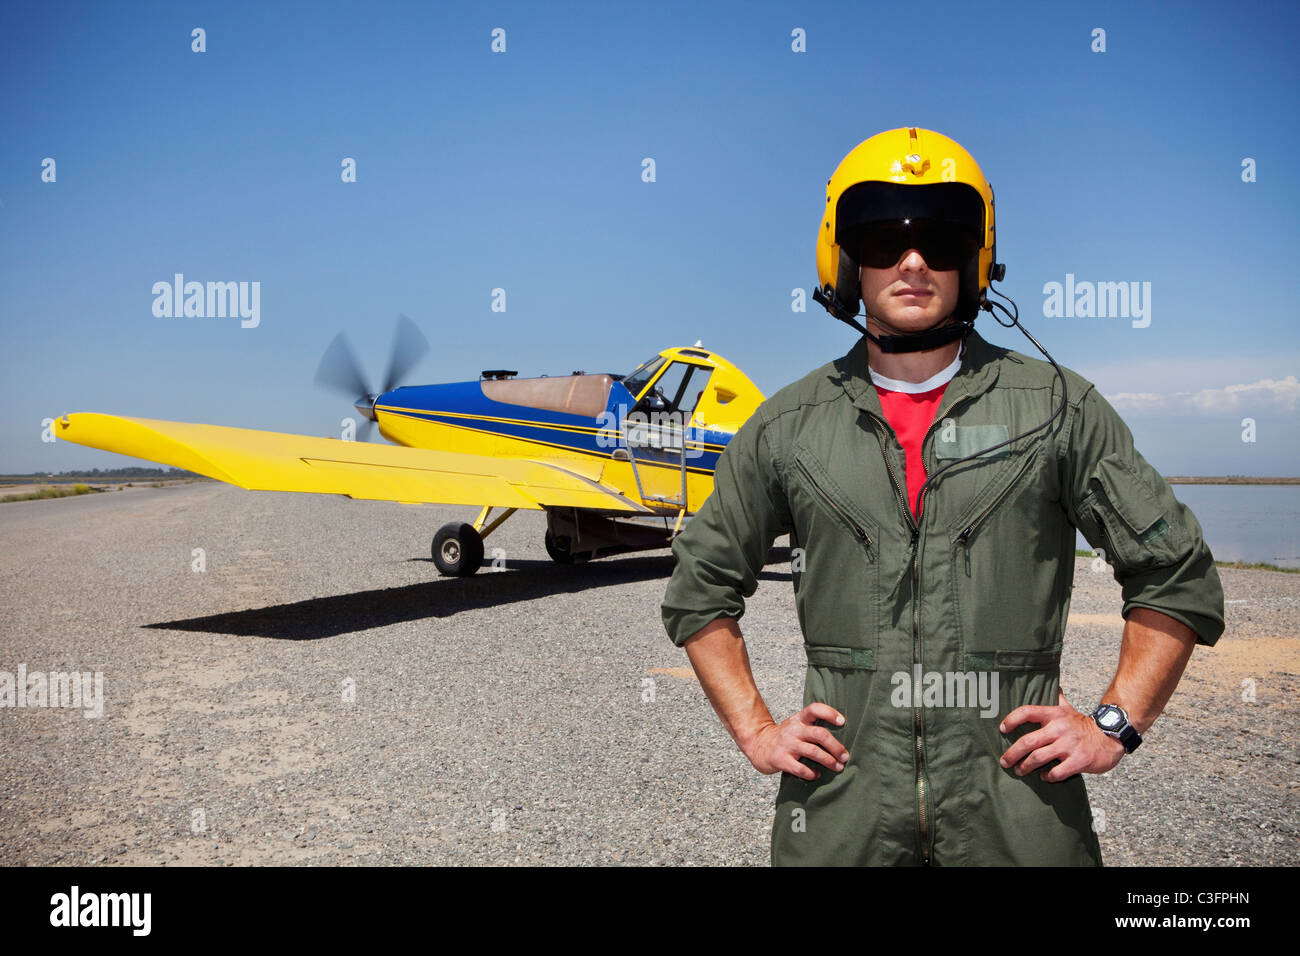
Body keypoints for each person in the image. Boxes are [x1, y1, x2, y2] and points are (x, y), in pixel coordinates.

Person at [660, 127, 1225, 866]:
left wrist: (1113, 724)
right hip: (840, 822)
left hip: (1021, 821)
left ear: (975, 259)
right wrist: (758, 732)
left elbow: (1174, 573)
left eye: (941, 237)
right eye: (883, 237)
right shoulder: (788, 427)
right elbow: (699, 587)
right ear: (844, 259)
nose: (914, 259)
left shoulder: (1058, 407)